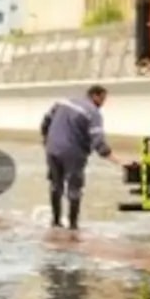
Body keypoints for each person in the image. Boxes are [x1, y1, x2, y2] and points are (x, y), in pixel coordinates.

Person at [40, 84, 120, 230]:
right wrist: (115, 159)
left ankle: (56, 221)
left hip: (52, 149)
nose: (103, 103)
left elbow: (46, 121)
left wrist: (46, 139)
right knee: (74, 188)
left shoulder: (63, 102)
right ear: (95, 96)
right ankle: (73, 225)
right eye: (103, 99)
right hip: (73, 152)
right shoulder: (93, 112)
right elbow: (97, 140)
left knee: (55, 185)